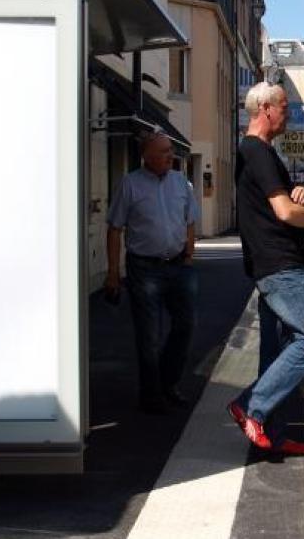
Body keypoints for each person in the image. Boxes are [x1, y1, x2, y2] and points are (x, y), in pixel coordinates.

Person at [227, 82, 304, 456]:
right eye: (285, 106)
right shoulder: (257, 151)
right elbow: (285, 213)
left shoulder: (259, 154)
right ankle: (251, 406)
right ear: (266, 109)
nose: (288, 112)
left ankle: (271, 436)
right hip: (279, 267)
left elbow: (284, 204)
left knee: (277, 352)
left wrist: (300, 195)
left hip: (273, 265)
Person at [105, 131, 200, 415]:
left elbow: (190, 219)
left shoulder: (182, 183)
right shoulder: (130, 184)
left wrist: (190, 251)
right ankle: (151, 394)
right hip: (144, 269)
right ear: (146, 155)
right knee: (149, 335)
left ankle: (168, 382)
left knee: (185, 326)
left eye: (171, 150)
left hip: (178, 266)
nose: (170, 156)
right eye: (163, 152)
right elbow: (114, 229)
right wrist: (112, 272)